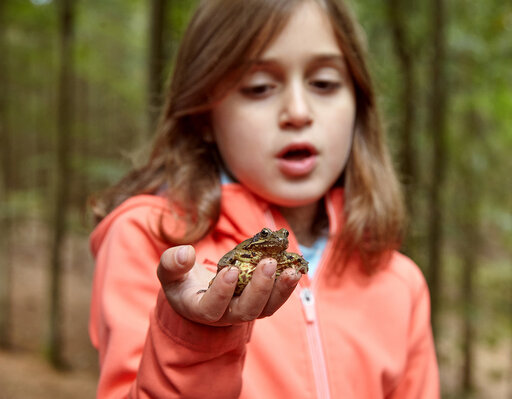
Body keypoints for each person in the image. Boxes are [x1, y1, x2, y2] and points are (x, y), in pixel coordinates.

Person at [88, 0, 440, 397]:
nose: (297, 111)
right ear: (204, 114)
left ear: (358, 102)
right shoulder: (150, 240)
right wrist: (193, 339)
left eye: (324, 83)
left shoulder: (400, 282)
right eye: (259, 87)